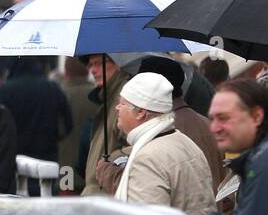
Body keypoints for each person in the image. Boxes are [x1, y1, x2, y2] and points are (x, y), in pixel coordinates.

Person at [111, 73, 215, 215]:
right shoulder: (184, 141)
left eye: (122, 104)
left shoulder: (148, 157)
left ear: (141, 113)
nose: (116, 109)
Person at [94, 56, 224, 199]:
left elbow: (148, 210)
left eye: (123, 103)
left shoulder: (156, 146)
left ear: (141, 110)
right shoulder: (195, 128)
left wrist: (109, 174)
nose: (117, 108)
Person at [0, 56, 73, 192]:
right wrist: (53, 138)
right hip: (47, 159)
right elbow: (68, 124)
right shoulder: (53, 88)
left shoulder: (3, 92)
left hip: (14, 162)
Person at [210, 80, 268, 215]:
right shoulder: (257, 159)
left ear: (256, 116)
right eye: (212, 119)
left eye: (223, 118)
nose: (214, 128)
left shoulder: (263, 164)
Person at [82, 54, 132, 197]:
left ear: (118, 64)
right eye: (90, 65)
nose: (92, 70)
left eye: (98, 63)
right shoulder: (109, 98)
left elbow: (139, 146)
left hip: (107, 197)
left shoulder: (123, 100)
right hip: (99, 194)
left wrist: (111, 159)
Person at [57, 57, 96, 192]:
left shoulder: (60, 94)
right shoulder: (98, 95)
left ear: (66, 71)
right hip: (92, 167)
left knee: (66, 209)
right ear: (87, 69)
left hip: (65, 167)